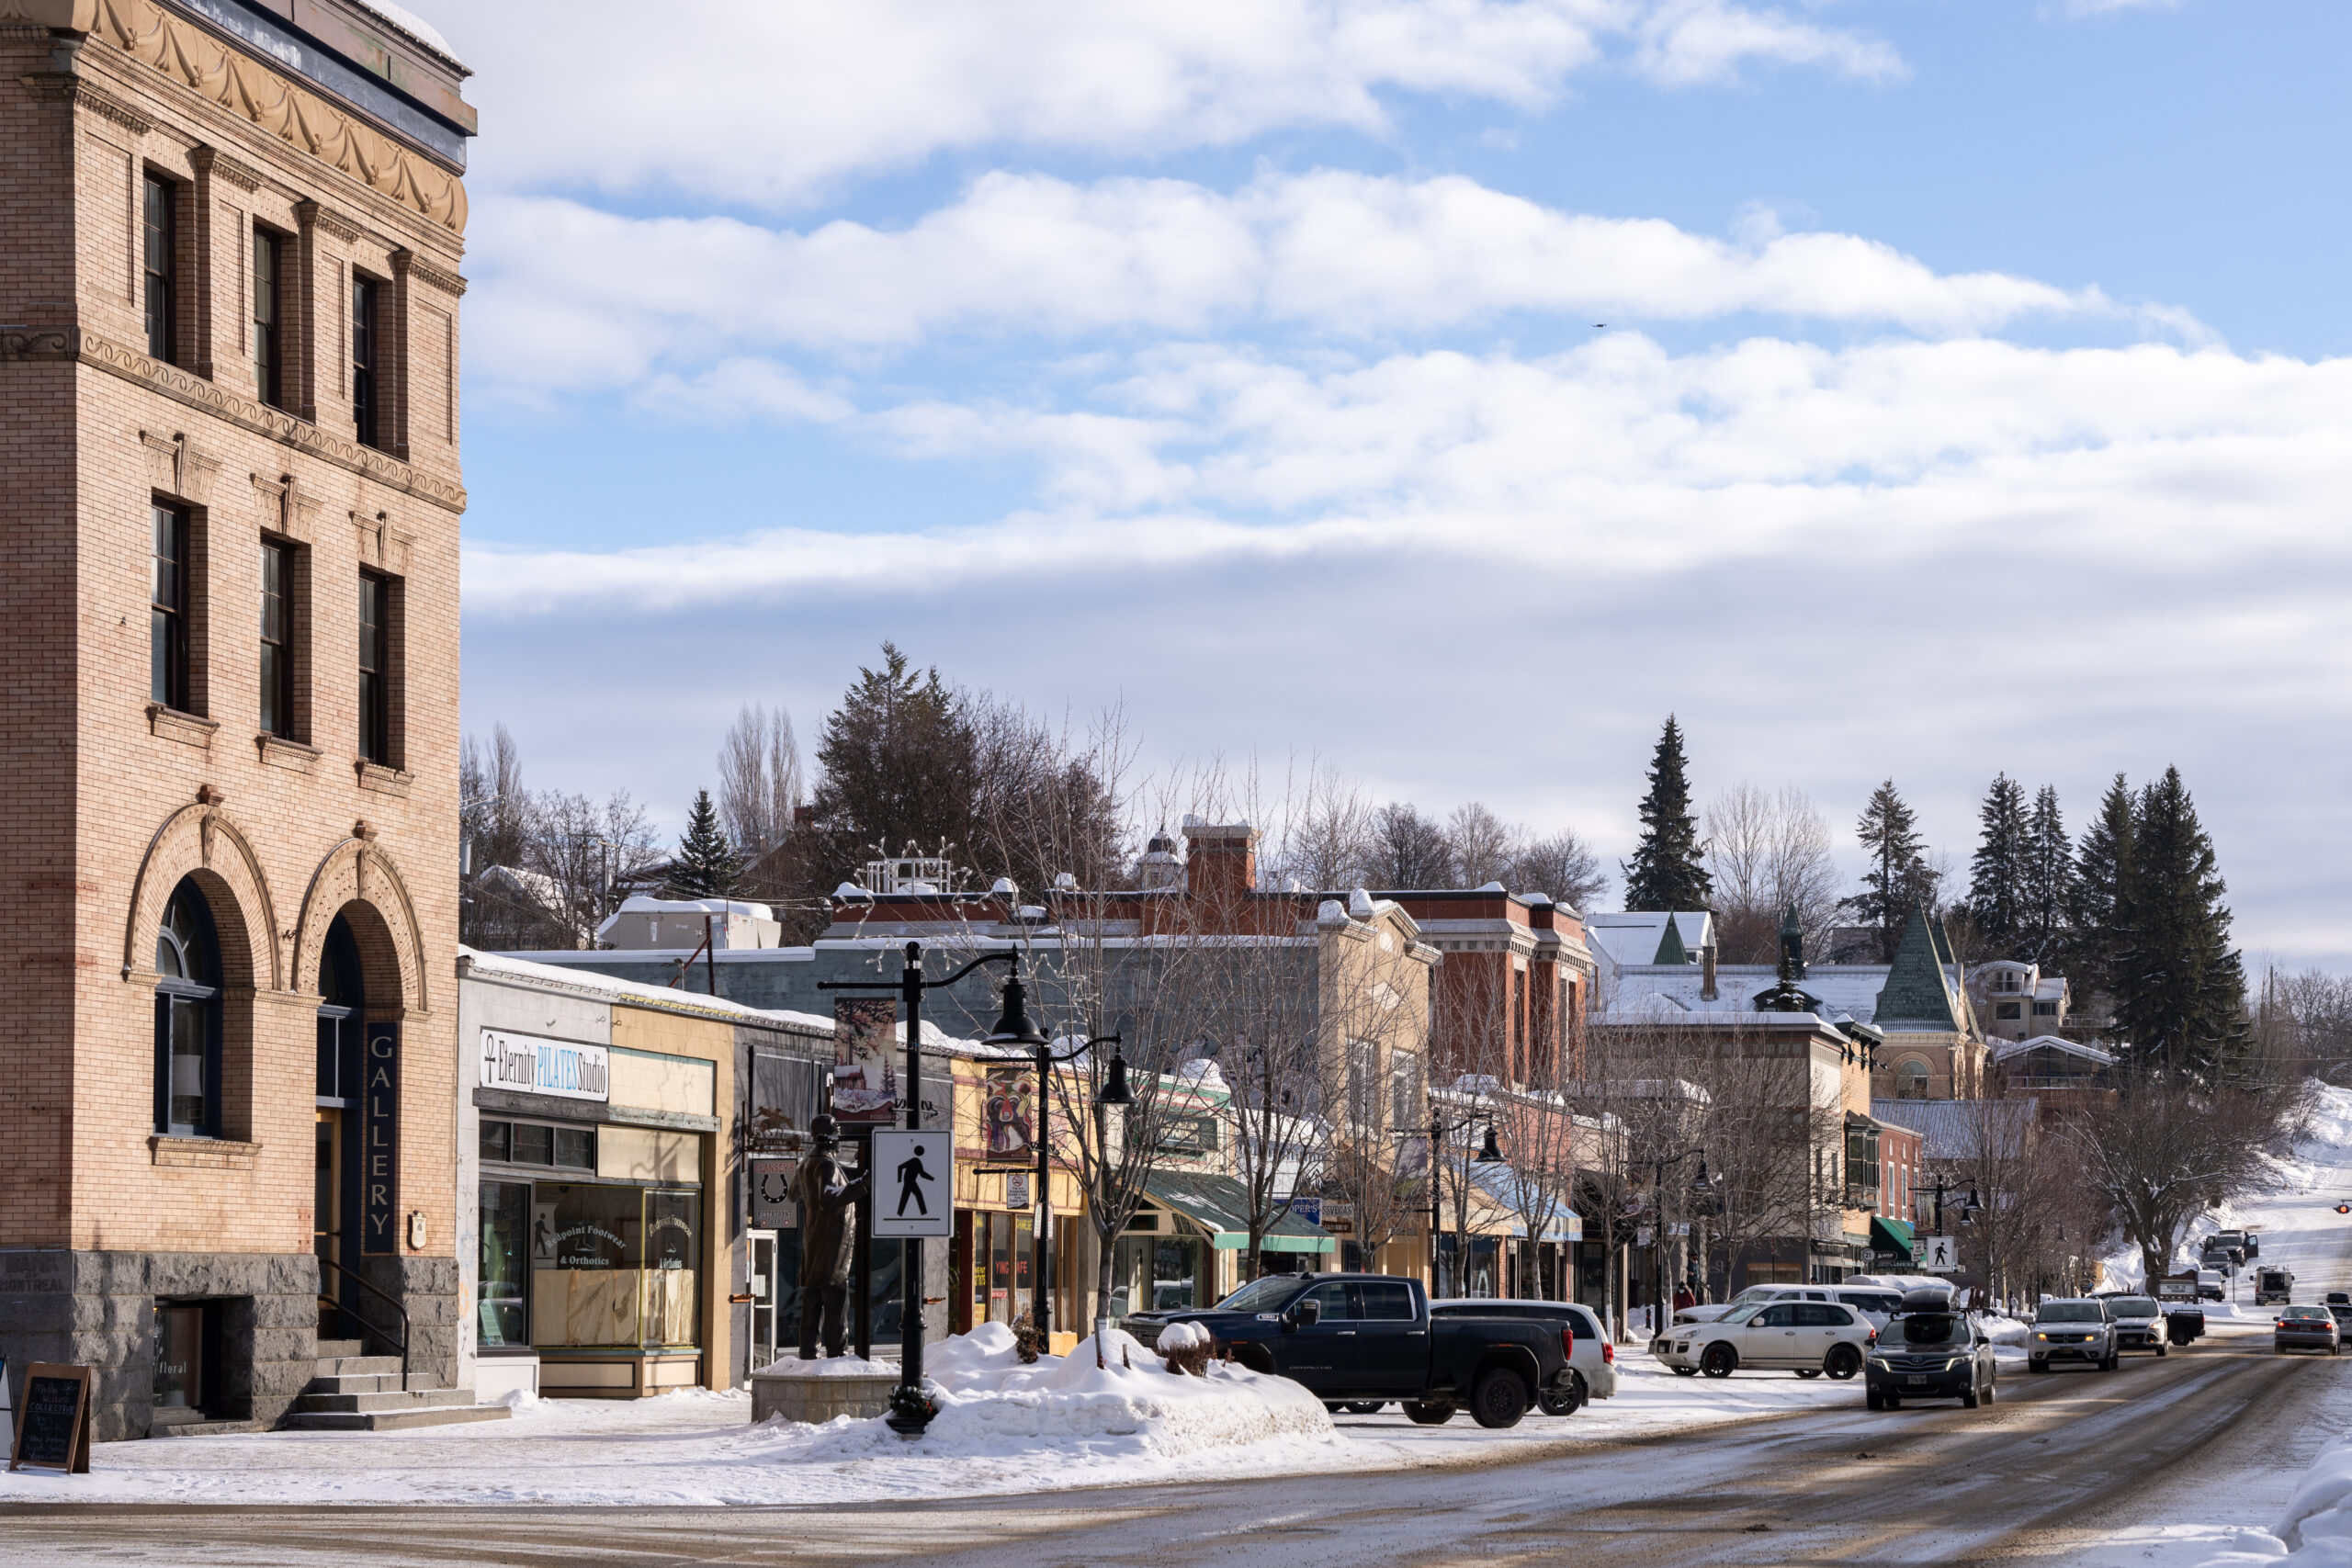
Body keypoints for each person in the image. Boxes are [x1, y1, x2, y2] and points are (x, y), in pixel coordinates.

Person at [790, 1114, 868, 1359]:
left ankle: (808, 1354)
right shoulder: (827, 1164)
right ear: (828, 1137)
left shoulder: (805, 1164)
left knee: (811, 1305)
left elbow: (793, 1195)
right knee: (836, 1305)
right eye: (836, 1132)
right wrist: (862, 1184)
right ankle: (837, 1355)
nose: (839, 1138)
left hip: (812, 1245)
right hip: (831, 1246)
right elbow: (828, 1199)